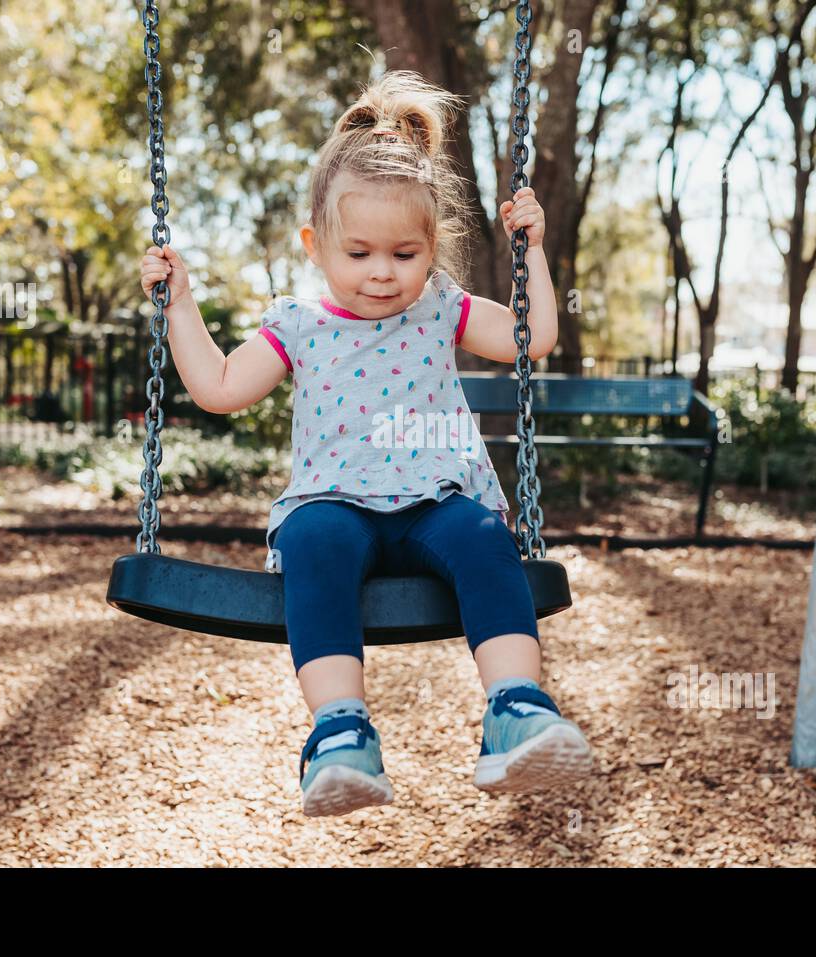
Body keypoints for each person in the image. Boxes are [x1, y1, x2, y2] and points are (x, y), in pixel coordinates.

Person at [139, 70, 592, 817]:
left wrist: (531, 251)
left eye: (405, 254)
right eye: (360, 254)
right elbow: (218, 385)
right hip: (337, 502)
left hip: (435, 502)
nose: (383, 272)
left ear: (431, 248)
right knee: (314, 540)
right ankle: (340, 731)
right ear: (316, 246)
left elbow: (531, 339)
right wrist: (179, 303)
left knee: (485, 537)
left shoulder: (441, 308)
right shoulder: (299, 325)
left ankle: (517, 708)